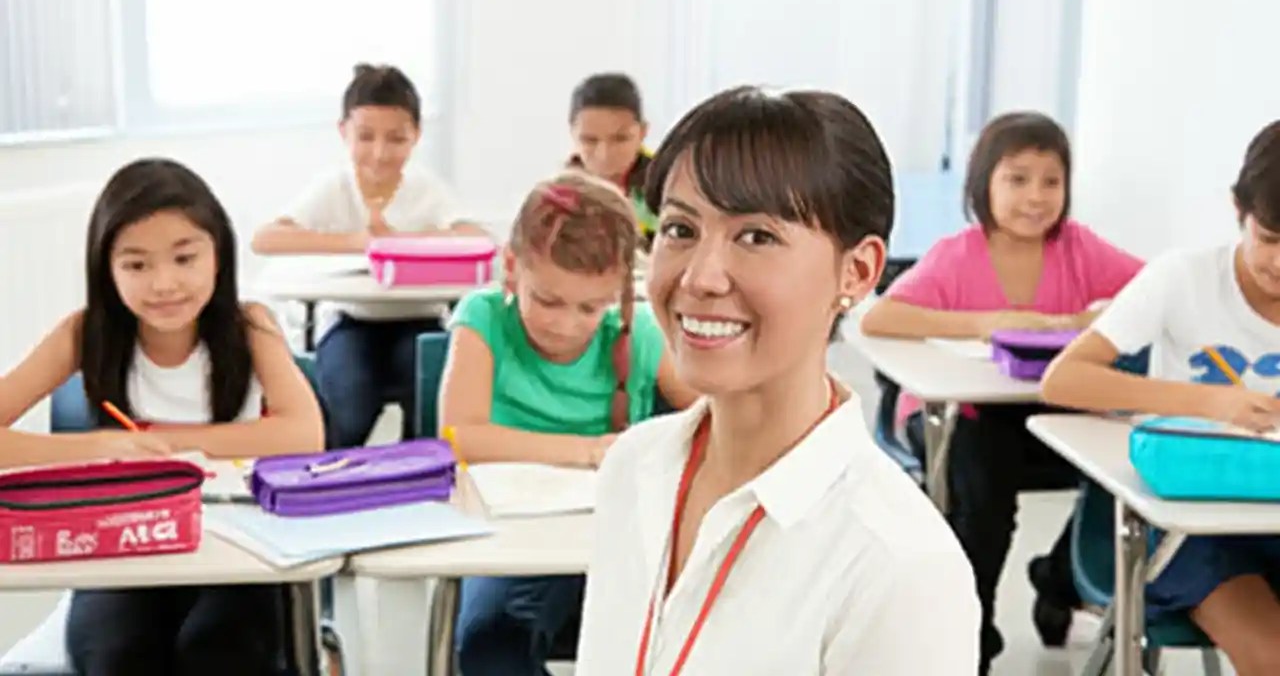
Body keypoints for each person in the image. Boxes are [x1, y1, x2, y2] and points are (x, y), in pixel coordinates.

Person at [576, 86, 979, 675]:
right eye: (681, 230)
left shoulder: (899, 563)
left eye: (757, 237)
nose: (700, 277)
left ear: (858, 270)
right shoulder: (633, 468)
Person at [0, 158, 323, 675]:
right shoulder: (84, 334)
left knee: (218, 655)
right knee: (118, 657)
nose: (164, 284)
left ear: (218, 254)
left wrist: (161, 440)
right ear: (106, 269)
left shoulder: (250, 327)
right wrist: (97, 448)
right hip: (124, 550)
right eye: (136, 265)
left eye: (184, 257)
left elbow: (305, 435)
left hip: (239, 547)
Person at [860, 112, 1143, 670]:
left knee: (1126, 468)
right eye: (1017, 179)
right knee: (983, 494)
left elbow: (1157, 288)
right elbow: (880, 319)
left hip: (1048, 410)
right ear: (983, 182)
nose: (1035, 196)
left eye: (1050, 181)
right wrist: (989, 321)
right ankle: (971, 642)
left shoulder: (1079, 248)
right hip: (962, 417)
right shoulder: (956, 253)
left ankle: (1060, 578)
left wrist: (1099, 316)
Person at [1042, 119, 1280, 676]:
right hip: (1190, 528)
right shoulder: (1184, 279)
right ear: (1238, 211)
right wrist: (1211, 404)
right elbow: (1063, 381)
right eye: (1270, 239)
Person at [440, 170, 697, 674]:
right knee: (490, 643)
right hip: (508, 543)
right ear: (511, 268)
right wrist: (589, 451)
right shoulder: (483, 319)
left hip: (618, 544)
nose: (565, 323)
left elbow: (722, 421)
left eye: (590, 307)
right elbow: (460, 438)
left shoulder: (639, 335)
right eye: (548, 300)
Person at [251, 63, 485, 449]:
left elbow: (474, 237)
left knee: (426, 387)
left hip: (418, 318)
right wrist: (358, 242)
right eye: (365, 136)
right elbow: (265, 239)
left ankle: (420, 479)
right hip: (352, 320)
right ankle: (334, 479)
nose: (379, 153)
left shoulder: (424, 187)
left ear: (416, 136)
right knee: (349, 398)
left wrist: (402, 244)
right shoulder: (334, 186)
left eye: (396, 139)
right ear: (343, 132)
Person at [565, 73, 657, 247]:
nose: (604, 154)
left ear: (643, 132)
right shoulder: (558, 195)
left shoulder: (667, 188)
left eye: (620, 139)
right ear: (573, 133)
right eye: (589, 140)